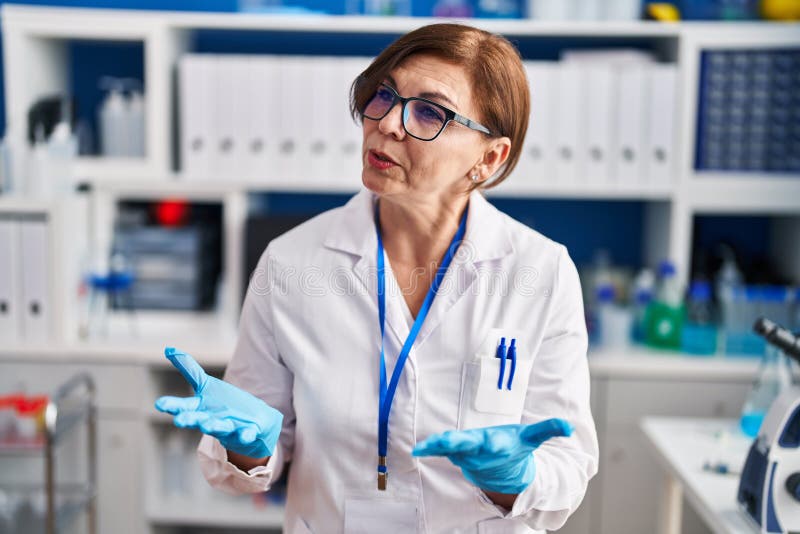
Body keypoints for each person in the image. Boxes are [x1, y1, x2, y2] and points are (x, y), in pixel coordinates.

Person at [155, 22, 598, 533]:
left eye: (429, 111)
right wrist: (248, 451)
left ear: (488, 157)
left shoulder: (540, 272)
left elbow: (569, 464)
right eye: (383, 95)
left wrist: (514, 477)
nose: (387, 123)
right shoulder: (292, 263)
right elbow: (247, 454)